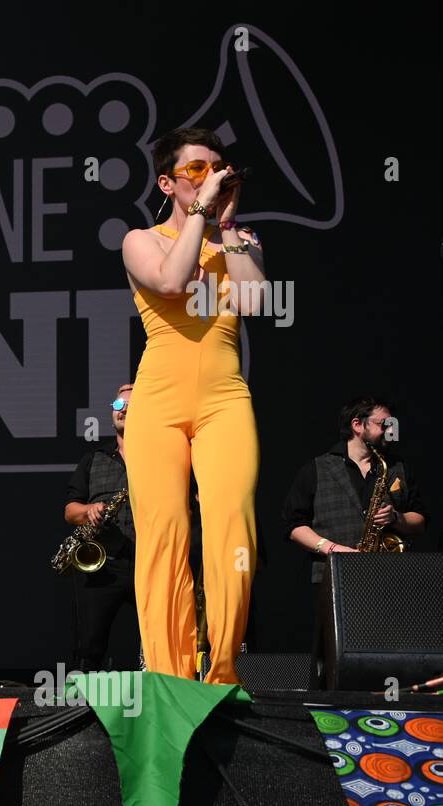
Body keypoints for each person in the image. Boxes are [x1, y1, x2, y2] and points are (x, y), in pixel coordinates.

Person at [120, 127, 266, 683]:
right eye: (196, 169)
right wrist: (202, 218)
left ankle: (224, 669)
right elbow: (172, 280)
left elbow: (254, 302)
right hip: (158, 400)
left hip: (225, 399)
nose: (210, 177)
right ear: (167, 182)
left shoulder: (240, 241)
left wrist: (225, 227)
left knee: (232, 524)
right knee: (164, 531)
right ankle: (169, 675)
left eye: (216, 167)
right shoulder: (142, 239)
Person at [281, 397, 429, 677]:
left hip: (389, 579)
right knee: (334, 660)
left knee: (387, 659)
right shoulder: (316, 467)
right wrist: (333, 549)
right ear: (357, 425)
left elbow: (420, 520)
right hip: (333, 578)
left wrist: (397, 518)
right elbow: (292, 525)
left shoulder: (396, 467)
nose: (389, 430)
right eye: (382, 424)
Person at [63, 384, 205, 671]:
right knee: (88, 647)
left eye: (131, 406)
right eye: (118, 406)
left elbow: (193, 504)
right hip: (104, 564)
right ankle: (79, 706)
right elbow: (70, 510)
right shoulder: (94, 459)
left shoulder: (167, 459)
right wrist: (89, 510)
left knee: (160, 644)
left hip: (152, 562)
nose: (123, 410)